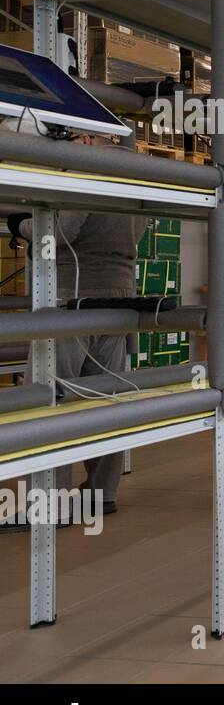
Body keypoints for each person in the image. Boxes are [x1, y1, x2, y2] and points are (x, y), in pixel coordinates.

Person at [2, 134, 145, 531]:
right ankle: (103, 493)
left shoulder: (90, 167)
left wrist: (22, 223)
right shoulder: (141, 173)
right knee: (103, 396)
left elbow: (61, 231)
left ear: (93, 136)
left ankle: (49, 504)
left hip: (72, 296)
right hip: (119, 295)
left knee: (45, 397)